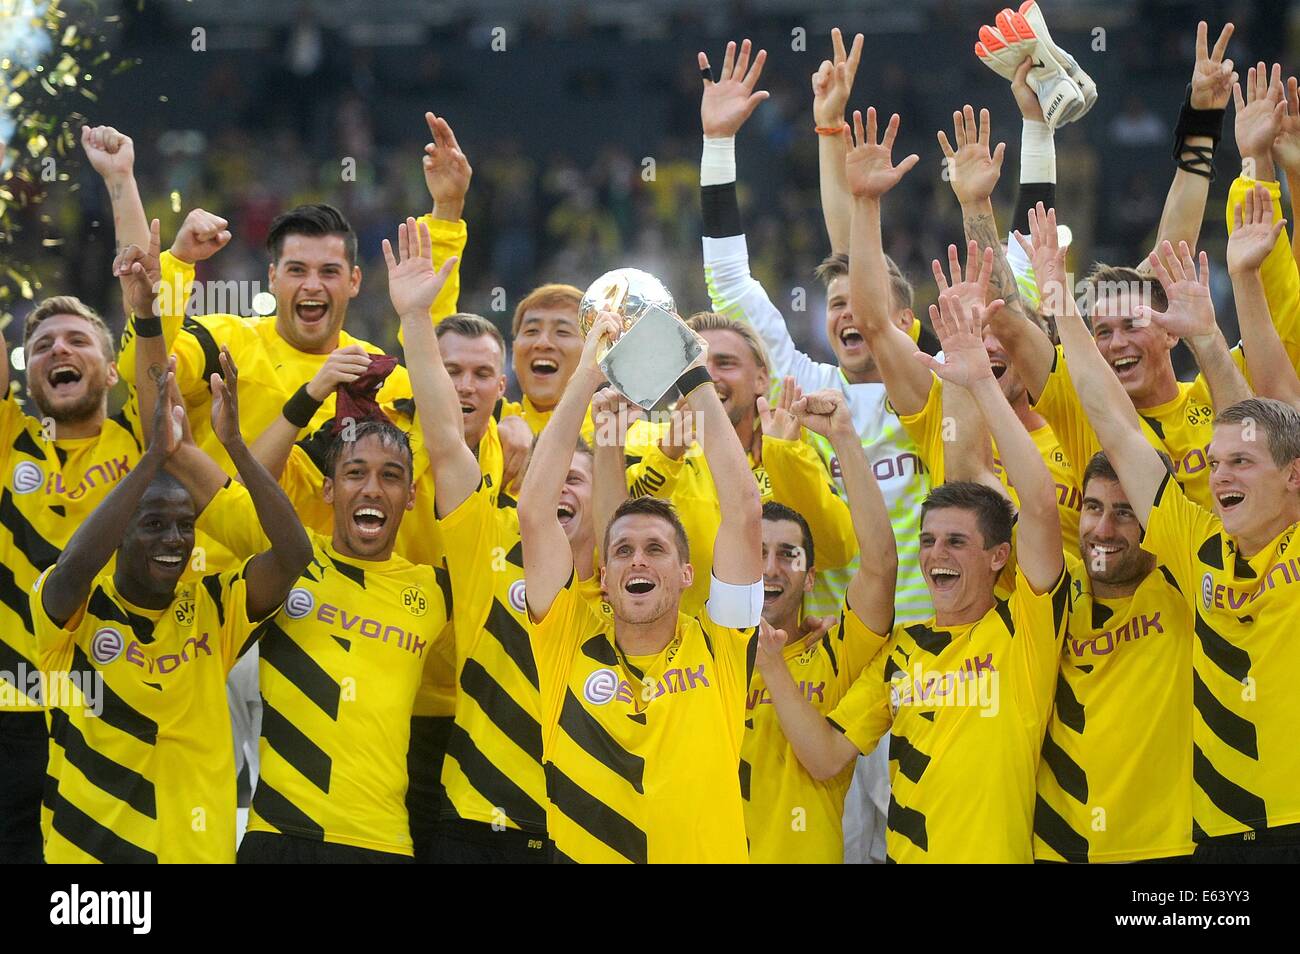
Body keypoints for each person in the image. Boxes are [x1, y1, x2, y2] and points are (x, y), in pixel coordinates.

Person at [163, 222, 458, 863]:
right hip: (237, 610)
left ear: (354, 281)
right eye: (296, 269)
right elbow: (155, 381)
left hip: (337, 610)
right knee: (198, 816)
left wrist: (447, 217)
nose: (312, 284)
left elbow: (448, 418)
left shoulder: (389, 376)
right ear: (271, 278)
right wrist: (173, 266)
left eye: (329, 270)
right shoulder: (229, 342)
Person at [1017, 203, 1300, 862]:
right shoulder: (1189, 543)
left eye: (1240, 464)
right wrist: (1057, 296)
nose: (1219, 471)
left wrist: (1210, 335)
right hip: (1223, 830)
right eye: (1215, 461)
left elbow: (1269, 420)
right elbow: (1109, 421)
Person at [758, 290, 1069, 862]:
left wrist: (976, 381)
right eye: (927, 541)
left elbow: (1041, 505)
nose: (935, 555)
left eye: (955, 541)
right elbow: (826, 756)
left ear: (1000, 556)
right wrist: (774, 668)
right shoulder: (902, 651)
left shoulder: (1025, 627)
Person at [32, 353, 310, 862]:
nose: (176, 540)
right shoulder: (76, 610)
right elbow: (73, 566)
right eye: (155, 524)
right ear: (119, 533)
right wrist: (152, 458)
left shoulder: (212, 605)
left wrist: (235, 447)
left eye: (185, 525)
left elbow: (295, 554)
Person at [518, 310, 763, 863]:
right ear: (603, 577)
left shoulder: (723, 645)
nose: (638, 561)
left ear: (686, 575)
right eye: (623, 550)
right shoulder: (564, 641)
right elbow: (535, 513)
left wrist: (695, 376)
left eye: (656, 549)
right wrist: (585, 374)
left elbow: (745, 511)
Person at [401, 220, 598, 862]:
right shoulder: (487, 528)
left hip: (585, 820)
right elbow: (440, 435)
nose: (561, 490)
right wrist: (412, 321)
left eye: (578, 480)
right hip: (476, 824)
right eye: (552, 478)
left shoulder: (616, 573)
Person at [743, 386, 894, 864]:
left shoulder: (836, 652)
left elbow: (881, 565)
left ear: (810, 575)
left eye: (787, 555)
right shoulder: (704, 651)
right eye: (757, 553)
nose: (770, 568)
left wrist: (844, 437)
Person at [623, 312, 856, 615]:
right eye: (693, 365)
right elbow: (617, 535)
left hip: (767, 656)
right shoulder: (645, 437)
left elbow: (835, 551)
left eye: (725, 363)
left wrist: (784, 457)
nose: (706, 377)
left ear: (761, 378)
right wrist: (668, 455)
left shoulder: (788, 445)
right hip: (679, 657)